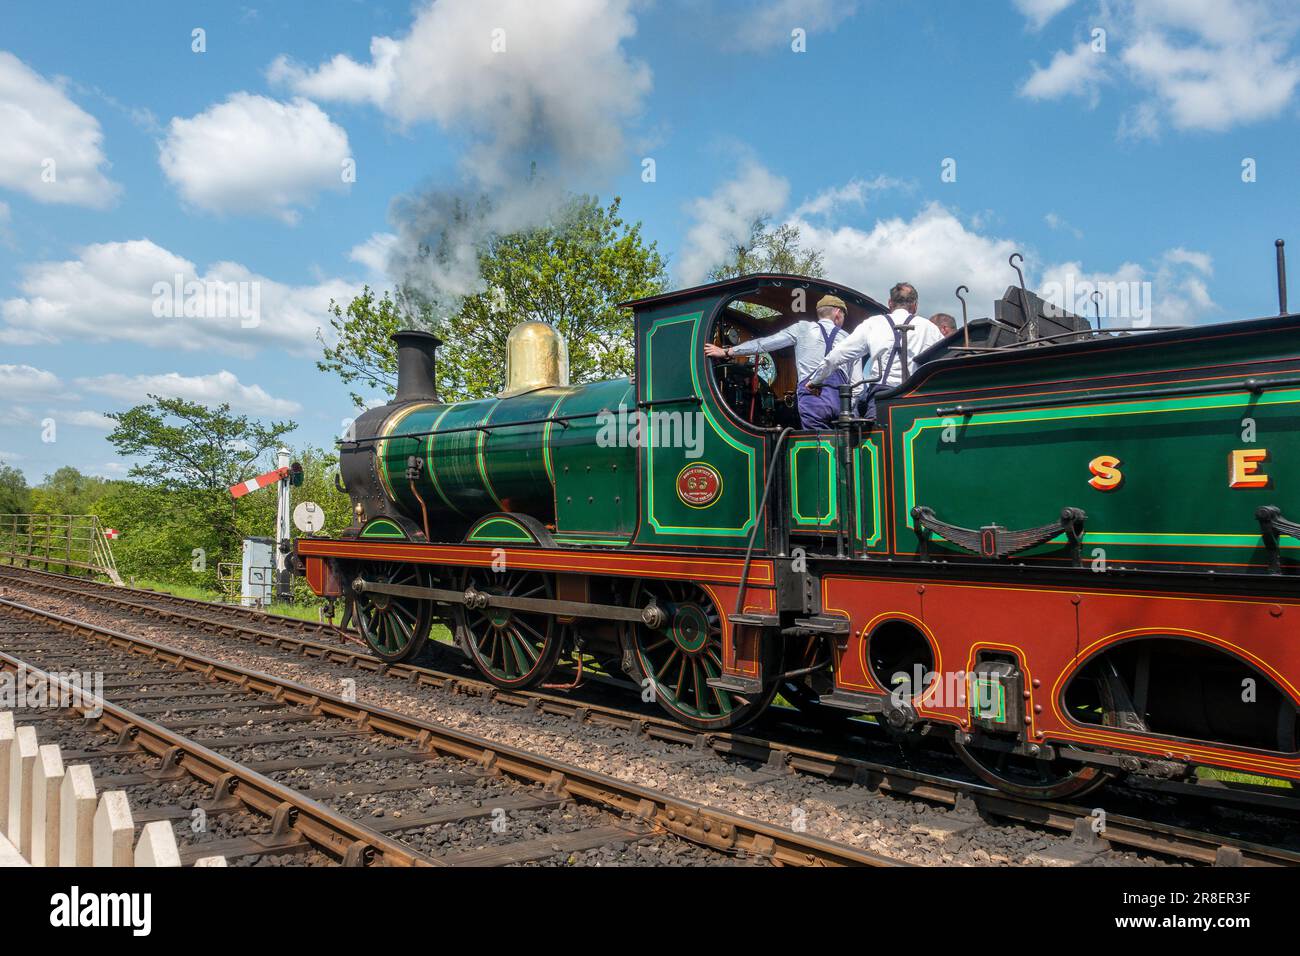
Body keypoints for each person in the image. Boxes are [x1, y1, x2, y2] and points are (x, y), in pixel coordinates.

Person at [703, 294, 862, 429]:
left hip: (813, 400)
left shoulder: (802, 328)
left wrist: (726, 351)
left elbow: (764, 343)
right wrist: (849, 408)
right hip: (842, 401)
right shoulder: (850, 339)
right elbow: (857, 384)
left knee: (817, 449)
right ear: (838, 312)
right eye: (843, 317)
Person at [805, 281, 943, 421]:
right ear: (915, 305)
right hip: (917, 397)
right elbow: (944, 359)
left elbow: (837, 355)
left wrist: (816, 380)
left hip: (882, 399)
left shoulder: (873, 324)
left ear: (890, 303)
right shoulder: (930, 328)